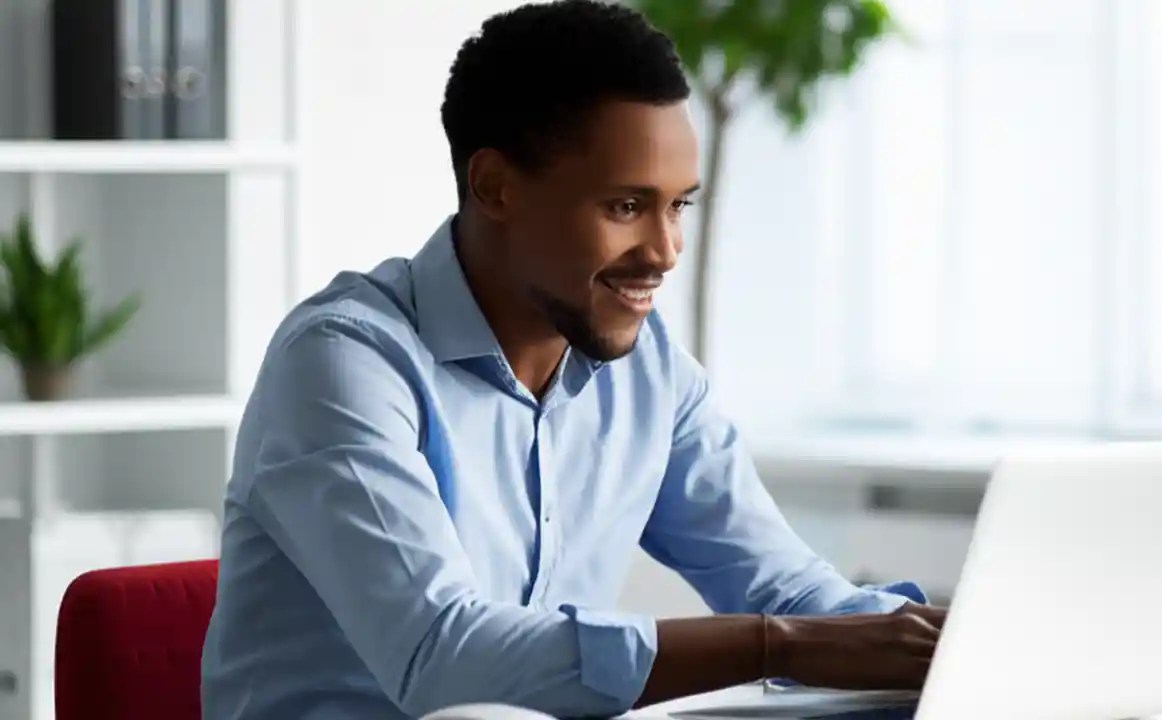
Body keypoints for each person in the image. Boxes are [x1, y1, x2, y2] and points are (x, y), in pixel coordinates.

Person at [200, 2, 946, 718]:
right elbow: (445, 659)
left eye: (679, 205)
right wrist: (773, 647)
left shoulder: (650, 374)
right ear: (495, 186)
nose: (664, 251)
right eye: (626, 207)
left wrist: (950, 639)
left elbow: (786, 589)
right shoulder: (342, 365)